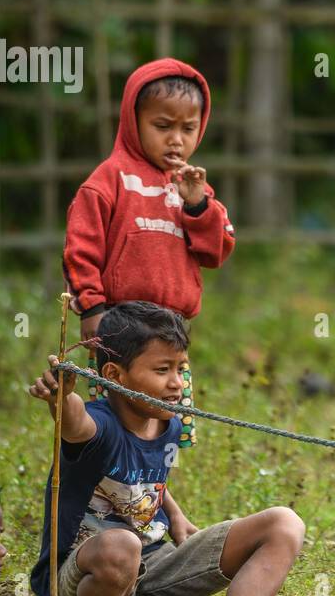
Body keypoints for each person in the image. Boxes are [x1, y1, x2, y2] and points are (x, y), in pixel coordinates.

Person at [27, 301, 304, 596]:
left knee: (284, 524)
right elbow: (74, 423)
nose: (177, 383)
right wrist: (62, 396)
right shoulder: (99, 426)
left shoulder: (169, 424)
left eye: (181, 369)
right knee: (122, 545)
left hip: (154, 567)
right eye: (162, 370)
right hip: (81, 585)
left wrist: (174, 514)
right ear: (114, 375)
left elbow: (144, 478)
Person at [64, 57, 236, 446]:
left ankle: (154, 497)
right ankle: (111, 495)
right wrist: (91, 308)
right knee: (114, 424)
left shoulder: (193, 188)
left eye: (188, 129)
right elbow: (80, 248)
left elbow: (217, 251)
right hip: (121, 327)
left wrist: (197, 207)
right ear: (133, 121)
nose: (176, 139)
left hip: (172, 329)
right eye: (162, 126)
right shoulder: (109, 180)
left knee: (166, 425)